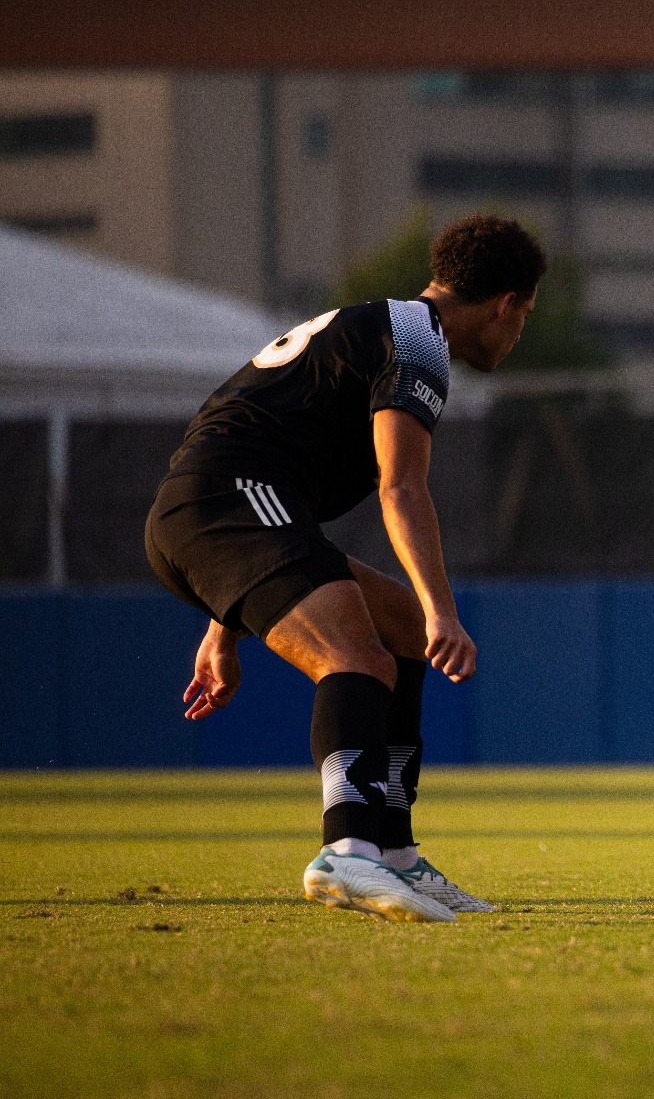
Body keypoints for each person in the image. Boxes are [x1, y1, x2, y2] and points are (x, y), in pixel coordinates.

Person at [144, 214, 545, 923]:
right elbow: (400, 486)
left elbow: (256, 453)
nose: (518, 335)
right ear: (507, 302)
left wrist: (224, 628)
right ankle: (346, 851)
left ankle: (392, 853)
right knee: (355, 654)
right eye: (526, 316)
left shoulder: (391, 325)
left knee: (400, 635)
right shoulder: (422, 342)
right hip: (224, 504)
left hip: (225, 508)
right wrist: (445, 606)